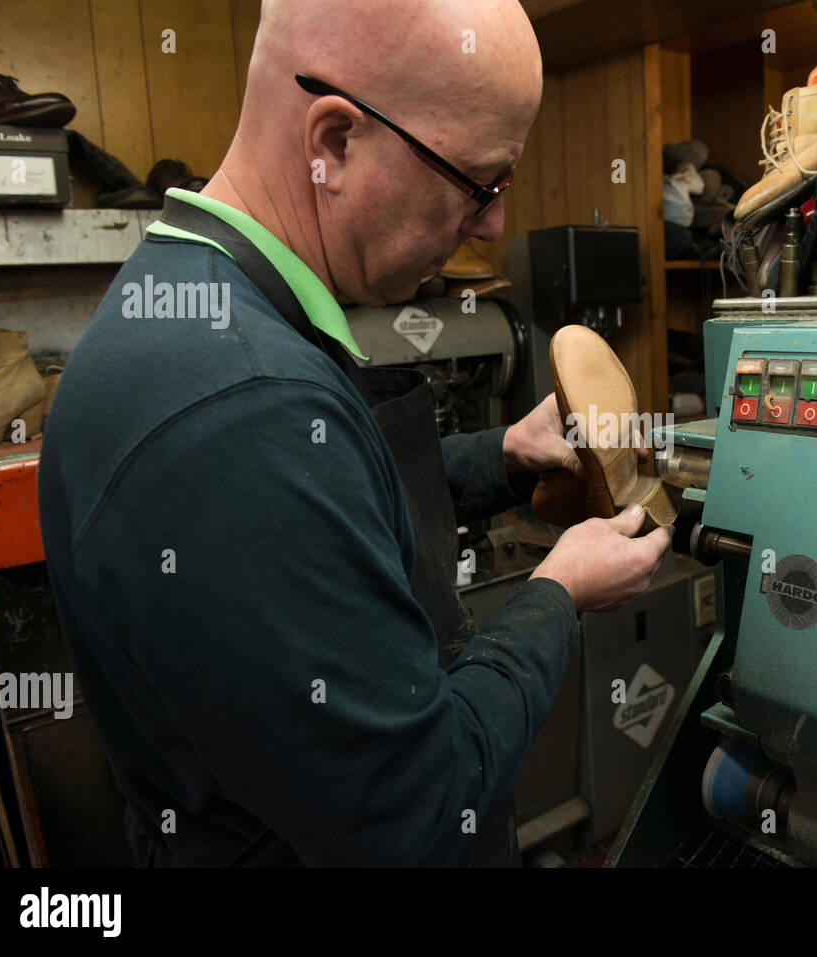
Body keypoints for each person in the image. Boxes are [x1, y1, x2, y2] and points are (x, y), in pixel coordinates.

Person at [37, 0, 672, 866]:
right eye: (478, 183)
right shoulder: (241, 409)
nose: (491, 226)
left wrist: (502, 458)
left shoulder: (206, 299)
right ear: (335, 141)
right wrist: (557, 595)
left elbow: (326, 502)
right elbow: (417, 806)